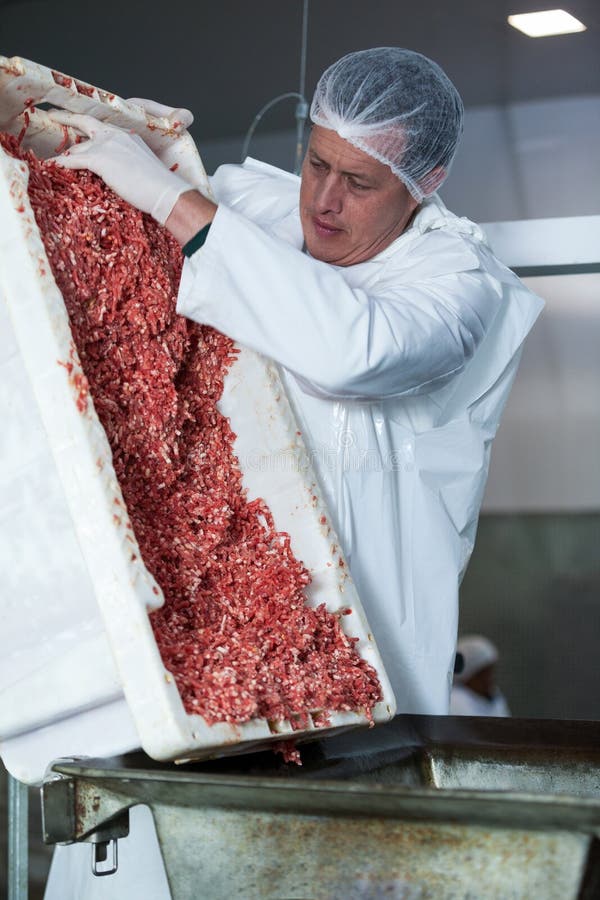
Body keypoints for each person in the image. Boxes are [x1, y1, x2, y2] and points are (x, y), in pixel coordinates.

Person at [43, 47, 542, 898]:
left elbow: (350, 350)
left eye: (360, 182)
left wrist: (170, 198)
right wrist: (138, 148)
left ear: (425, 183)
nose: (324, 200)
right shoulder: (264, 209)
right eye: (316, 163)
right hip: (201, 649)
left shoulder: (459, 287)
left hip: (356, 693)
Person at [451, 634, 511, 716]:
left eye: (491, 672)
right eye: (482, 674)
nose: (489, 678)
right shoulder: (455, 700)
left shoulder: (496, 698)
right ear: (469, 675)